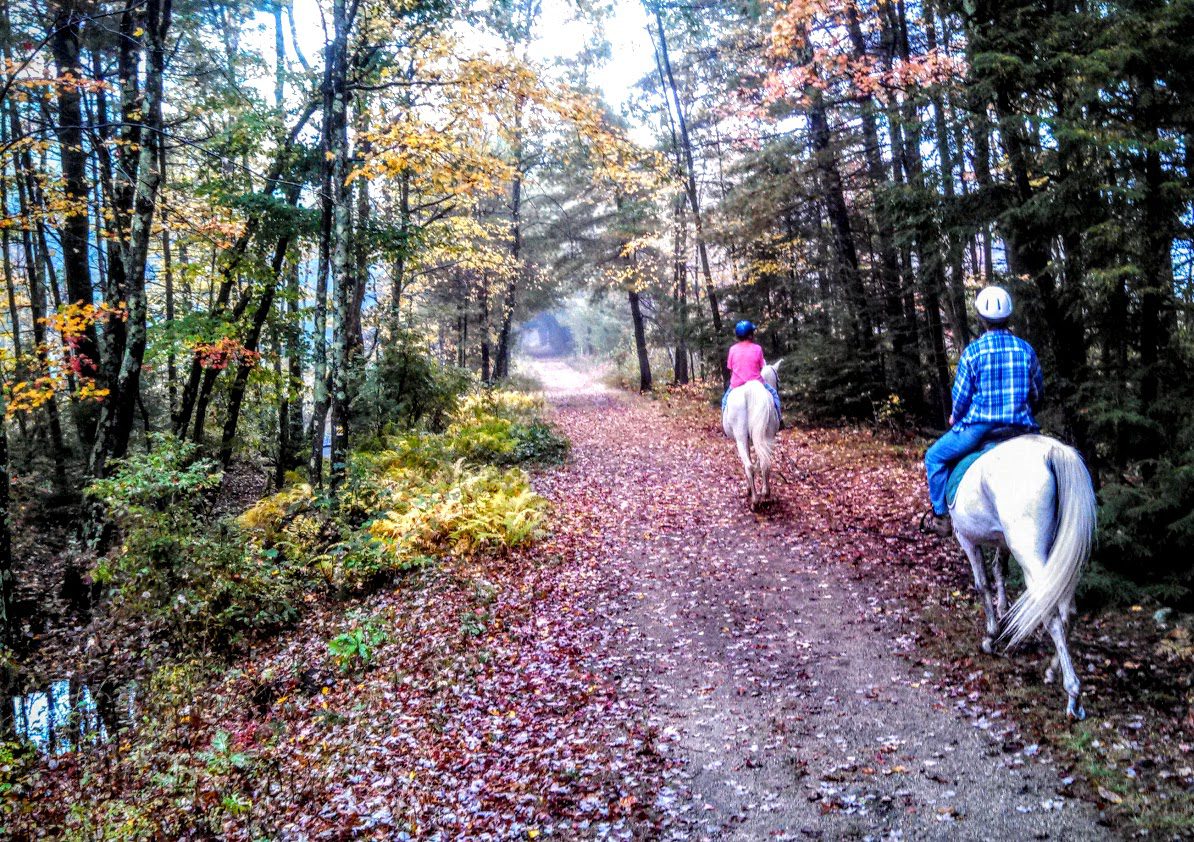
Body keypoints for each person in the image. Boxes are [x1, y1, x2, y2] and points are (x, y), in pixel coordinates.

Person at [924, 286, 1044, 537]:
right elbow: (1037, 393)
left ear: (981, 318)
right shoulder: (1026, 350)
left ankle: (941, 517)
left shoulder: (973, 353)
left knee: (934, 456)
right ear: (1008, 317)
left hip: (980, 428)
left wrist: (955, 416)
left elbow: (961, 398)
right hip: (1021, 428)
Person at [725, 320, 782, 424]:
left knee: (724, 401)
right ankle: (779, 420)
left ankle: (725, 423)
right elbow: (761, 368)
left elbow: (730, 369)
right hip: (756, 382)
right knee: (774, 395)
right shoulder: (757, 348)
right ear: (750, 335)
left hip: (736, 384)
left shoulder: (732, 349)